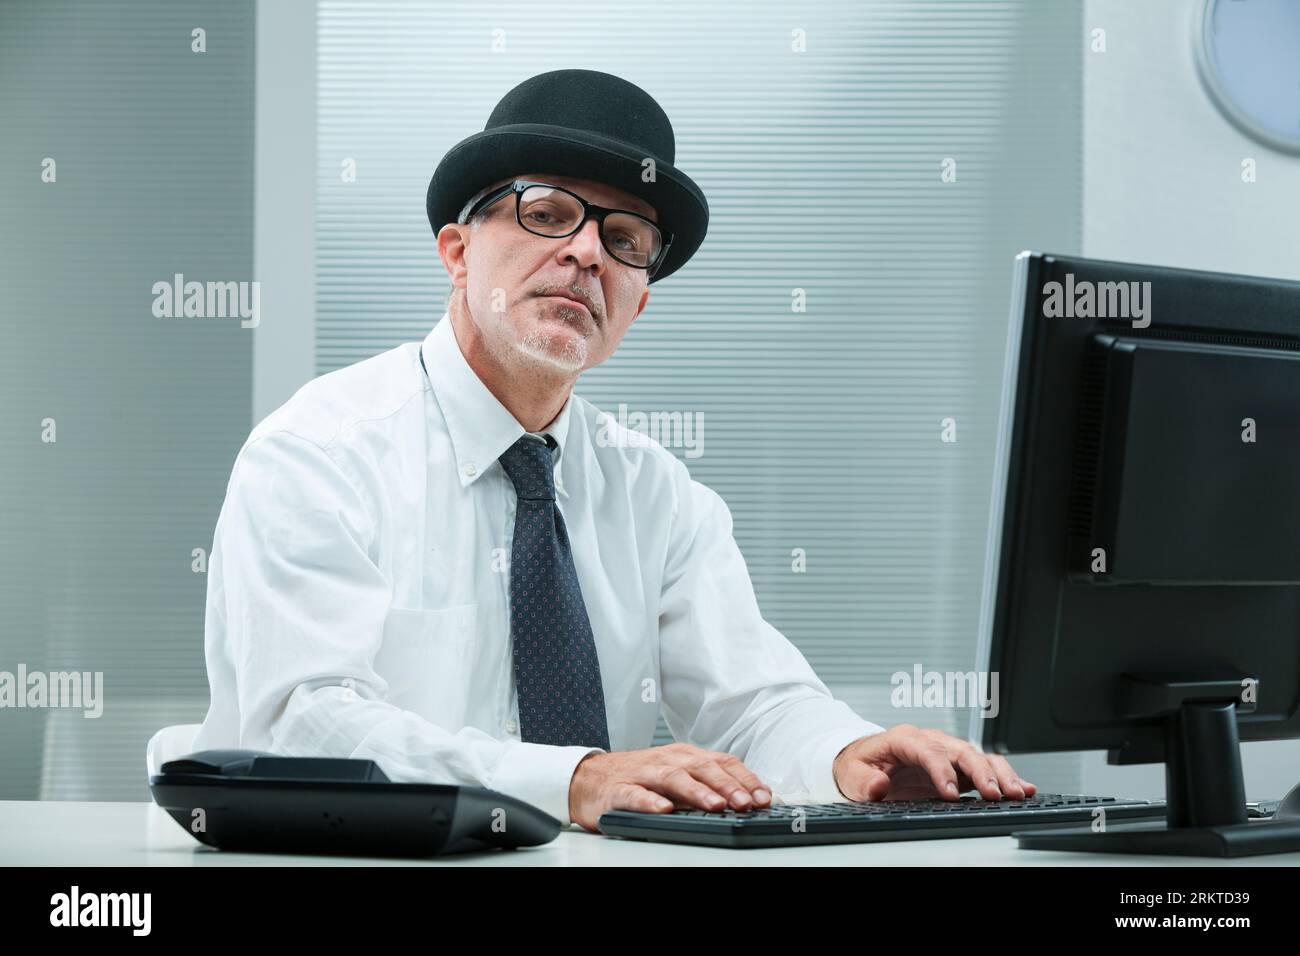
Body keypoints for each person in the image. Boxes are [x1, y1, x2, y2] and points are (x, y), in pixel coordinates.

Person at [194, 69, 1035, 833]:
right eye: (548, 214)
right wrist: (573, 780)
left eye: (627, 239)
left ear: (638, 304)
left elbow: (751, 704)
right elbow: (305, 722)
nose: (588, 253)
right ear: (458, 253)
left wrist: (848, 756)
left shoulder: (657, 493)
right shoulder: (317, 452)